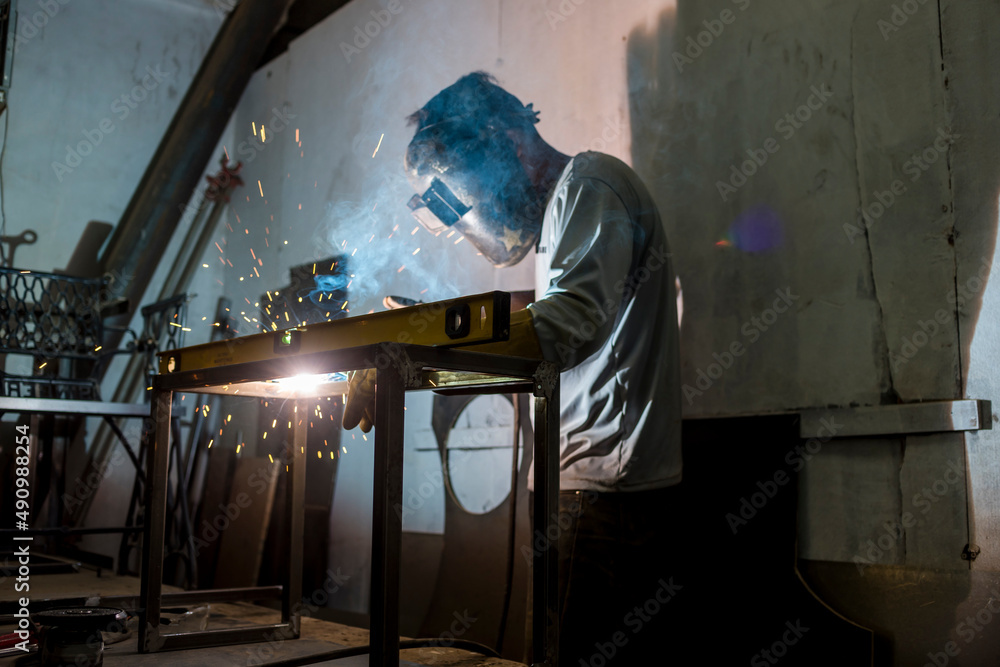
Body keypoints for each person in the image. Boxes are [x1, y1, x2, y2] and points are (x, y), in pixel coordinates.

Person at [345, 71, 682, 663]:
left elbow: (567, 325)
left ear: (507, 137)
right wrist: (430, 326)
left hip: (609, 494)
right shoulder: (567, 209)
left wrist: (423, 356)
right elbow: (550, 309)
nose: (479, 206)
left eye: (471, 185)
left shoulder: (591, 186)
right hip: (584, 486)